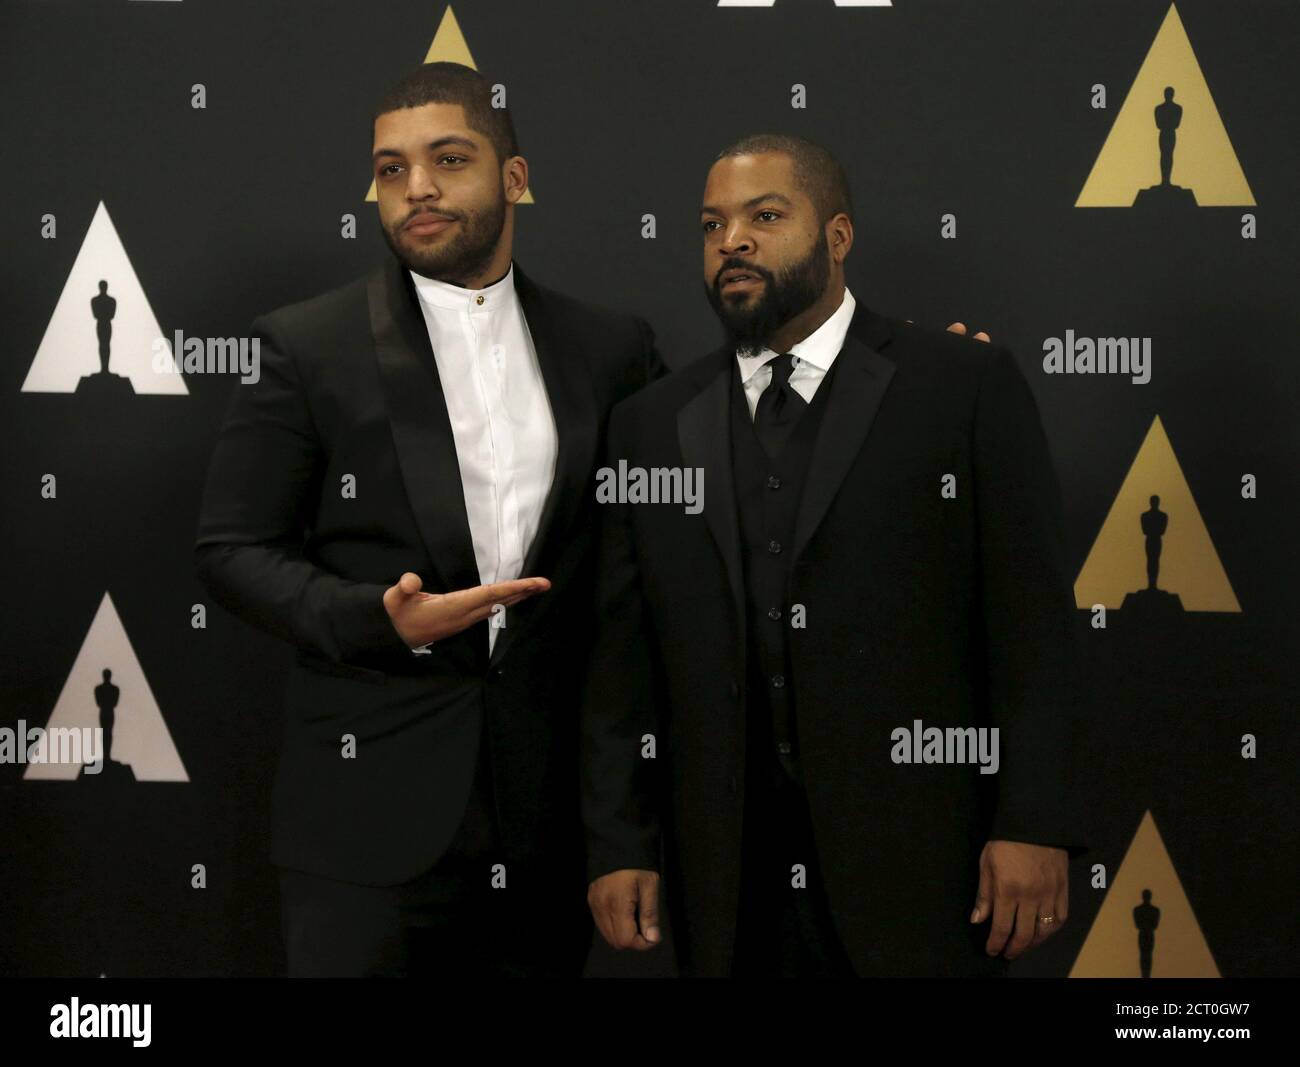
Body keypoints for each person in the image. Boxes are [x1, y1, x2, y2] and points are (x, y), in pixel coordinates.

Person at [193, 61, 665, 976]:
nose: (417, 188)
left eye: (449, 159)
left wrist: (620, 831)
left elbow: (632, 593)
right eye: (391, 168)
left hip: (547, 831)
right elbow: (231, 549)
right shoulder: (306, 345)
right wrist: (374, 617)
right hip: (364, 826)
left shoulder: (613, 350)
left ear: (515, 178)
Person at [582, 133, 1085, 977]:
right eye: (711, 225)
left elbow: (1032, 627)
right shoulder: (651, 422)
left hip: (926, 870)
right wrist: (618, 841)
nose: (730, 241)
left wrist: (1032, 820)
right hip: (725, 884)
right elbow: (620, 662)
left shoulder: (963, 385)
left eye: (764, 216)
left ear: (839, 236)